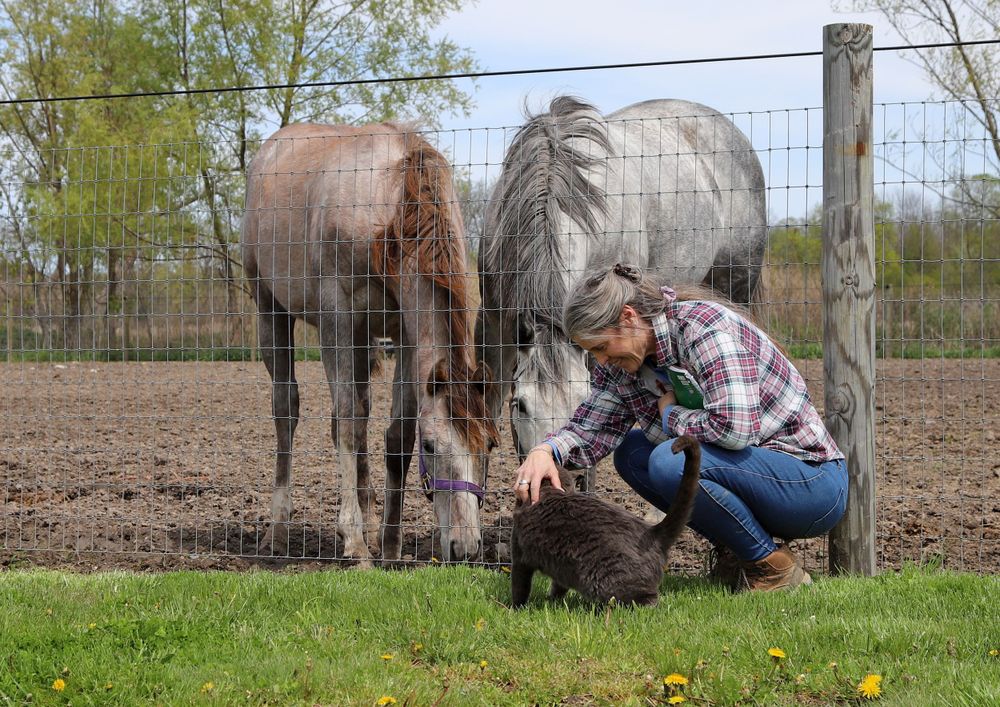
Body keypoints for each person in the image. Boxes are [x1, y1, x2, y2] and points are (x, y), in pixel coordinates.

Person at [512, 263, 848, 591]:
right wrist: (546, 451)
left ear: (628, 318)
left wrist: (671, 415)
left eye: (601, 347)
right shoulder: (624, 366)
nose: (600, 361)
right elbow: (590, 428)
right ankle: (742, 554)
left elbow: (734, 429)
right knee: (632, 454)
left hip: (810, 485)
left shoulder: (703, 329)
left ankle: (769, 567)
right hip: (755, 476)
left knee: (668, 462)